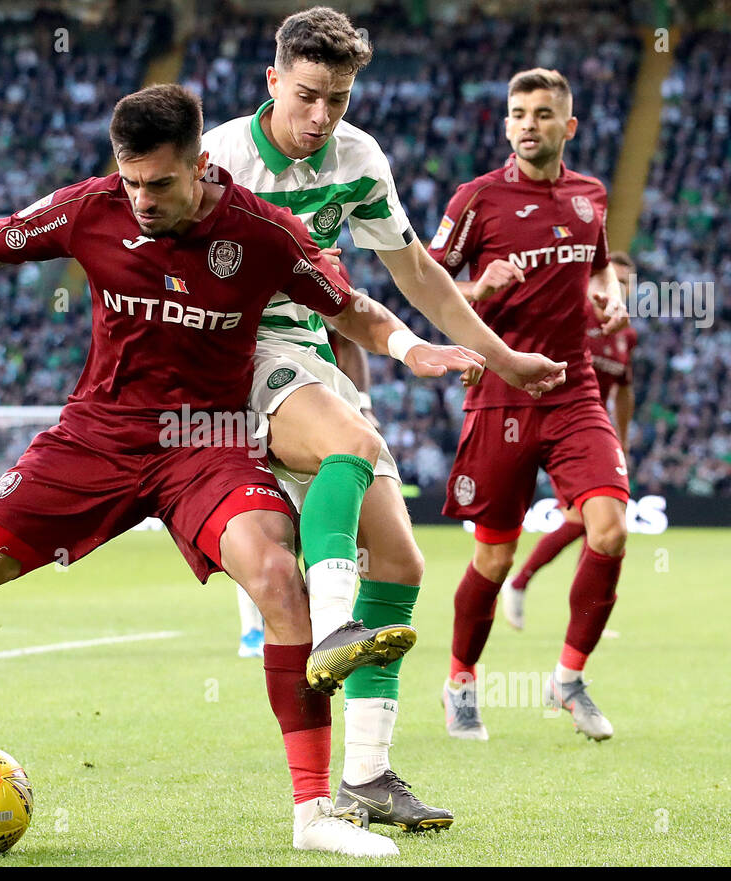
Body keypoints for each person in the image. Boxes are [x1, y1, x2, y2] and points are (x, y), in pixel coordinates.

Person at [0, 85, 485, 856]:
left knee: (280, 582)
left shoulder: (262, 232)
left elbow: (349, 309)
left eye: (161, 184)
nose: (141, 199)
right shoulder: (89, 207)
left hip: (206, 443)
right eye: (131, 180)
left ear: (201, 166)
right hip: (96, 437)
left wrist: (414, 349)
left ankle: (315, 815)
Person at [203, 6, 566, 828]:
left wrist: (501, 356)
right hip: (234, 359)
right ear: (272, 81)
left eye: (337, 98)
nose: (321, 116)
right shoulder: (218, 157)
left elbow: (421, 275)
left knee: (400, 566)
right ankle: (330, 625)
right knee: (355, 443)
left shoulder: (358, 156)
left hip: (311, 354)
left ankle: (367, 775)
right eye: (306, 96)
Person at [428, 68, 631, 742]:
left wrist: (609, 290)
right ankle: (461, 681)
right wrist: (479, 289)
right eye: (518, 112)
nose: (527, 124)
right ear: (506, 122)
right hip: (500, 396)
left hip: (573, 392)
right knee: (493, 559)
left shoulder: (589, 196)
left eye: (543, 114)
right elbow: (425, 286)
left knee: (608, 528)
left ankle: (568, 680)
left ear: (567, 127)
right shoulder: (477, 199)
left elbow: (599, 263)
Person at [502, 251, 639, 631]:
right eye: (615, 280)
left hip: (593, 432)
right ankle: (519, 582)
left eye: (627, 284)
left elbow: (624, 390)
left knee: (599, 521)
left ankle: (583, 610)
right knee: (588, 519)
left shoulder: (626, 335)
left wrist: (622, 440)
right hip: (555, 426)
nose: (620, 289)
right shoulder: (571, 318)